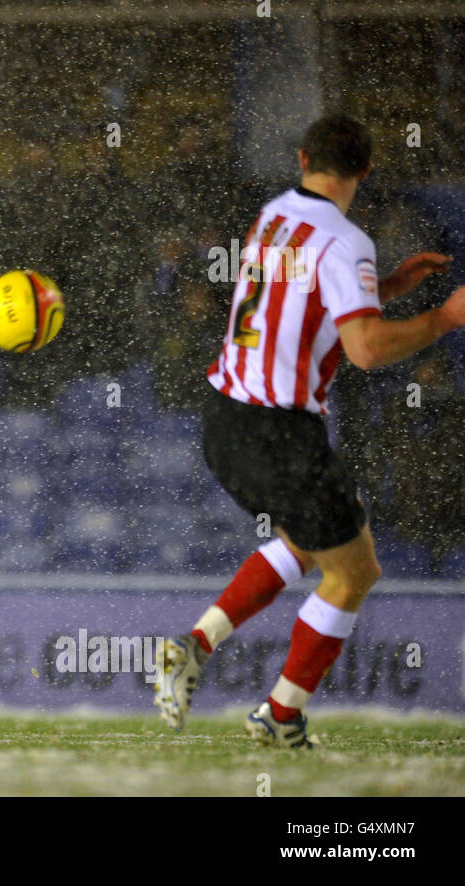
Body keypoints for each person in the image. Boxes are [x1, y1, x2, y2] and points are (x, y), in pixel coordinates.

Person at [154, 114, 465, 747]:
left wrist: (388, 283)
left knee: (309, 539)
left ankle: (197, 644)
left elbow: (301, 296)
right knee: (354, 570)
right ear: (367, 171)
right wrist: (444, 318)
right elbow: (367, 351)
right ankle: (280, 714)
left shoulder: (274, 215)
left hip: (224, 414)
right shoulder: (345, 241)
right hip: (279, 429)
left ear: (302, 159)